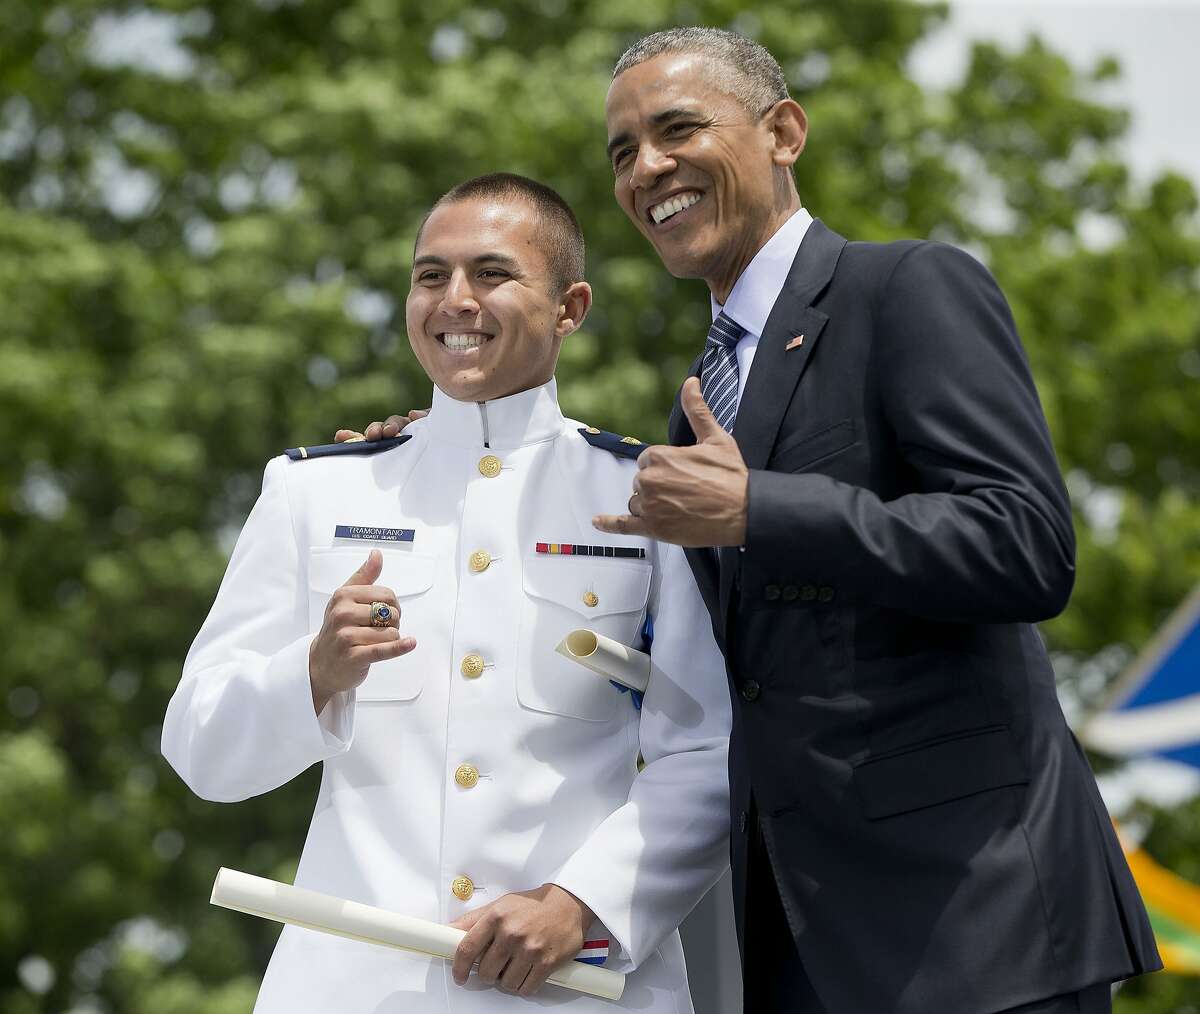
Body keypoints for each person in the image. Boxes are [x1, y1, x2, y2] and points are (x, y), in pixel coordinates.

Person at [355, 28, 1162, 1014]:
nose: (647, 167)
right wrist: (444, 452)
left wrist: (761, 509)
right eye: (621, 152)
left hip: (976, 919)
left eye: (677, 128)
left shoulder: (905, 288)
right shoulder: (698, 402)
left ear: (783, 132)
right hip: (802, 946)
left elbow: (1025, 544)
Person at [162, 173, 732, 1014]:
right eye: (431, 276)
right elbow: (201, 750)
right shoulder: (314, 493)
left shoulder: (644, 500)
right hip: (351, 988)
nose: (455, 300)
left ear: (570, 307)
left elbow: (708, 746)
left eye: (492, 274)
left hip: (581, 991)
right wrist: (312, 673)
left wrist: (585, 906)